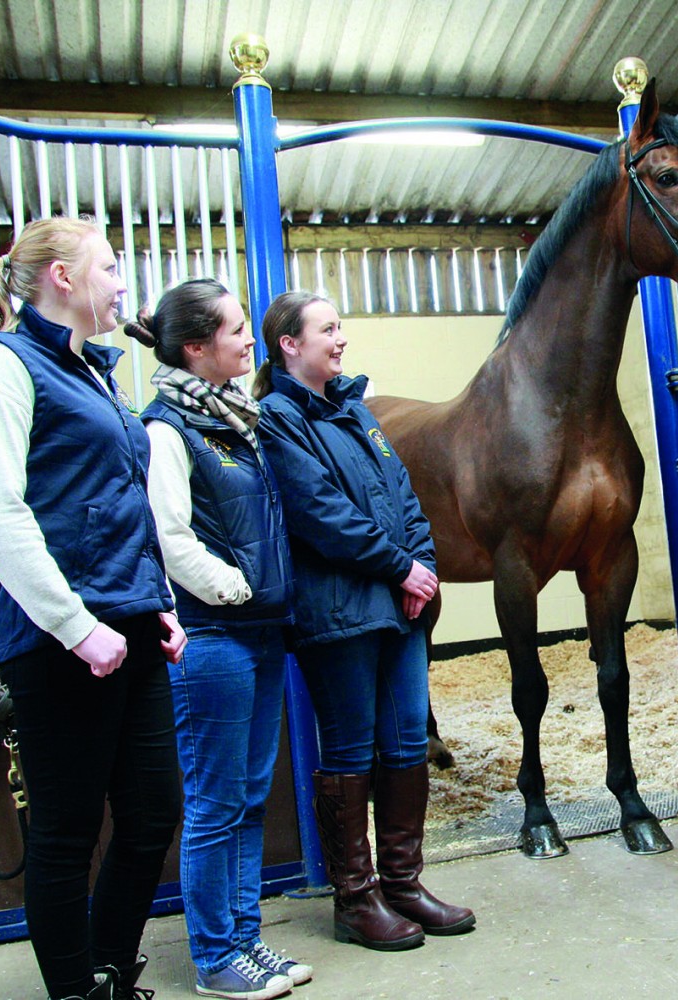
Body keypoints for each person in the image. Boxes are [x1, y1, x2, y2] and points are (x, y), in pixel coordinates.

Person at [0, 217, 184, 1000]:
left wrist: (157, 605)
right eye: (111, 268)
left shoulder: (93, 374)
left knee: (154, 815)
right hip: (62, 641)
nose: (123, 284)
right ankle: (76, 992)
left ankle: (111, 970)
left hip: (130, 628)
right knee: (65, 833)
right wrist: (78, 625)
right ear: (60, 277)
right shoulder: (0, 367)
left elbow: (113, 506)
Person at [253, 291, 475, 951]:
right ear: (289, 344)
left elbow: (403, 495)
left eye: (340, 326)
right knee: (350, 751)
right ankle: (356, 899)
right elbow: (317, 511)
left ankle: (404, 885)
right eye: (327, 329)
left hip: (398, 607)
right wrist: (398, 569)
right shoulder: (277, 418)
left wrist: (422, 566)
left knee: (407, 743)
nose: (341, 338)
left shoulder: (356, 410)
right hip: (341, 610)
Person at [130, 279, 305, 1000]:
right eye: (235, 328)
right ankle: (213, 956)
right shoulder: (168, 428)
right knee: (213, 801)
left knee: (250, 795)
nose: (247, 339)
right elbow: (169, 537)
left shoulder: (236, 418)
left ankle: (245, 937)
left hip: (260, 634)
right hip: (213, 637)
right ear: (197, 348)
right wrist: (235, 588)